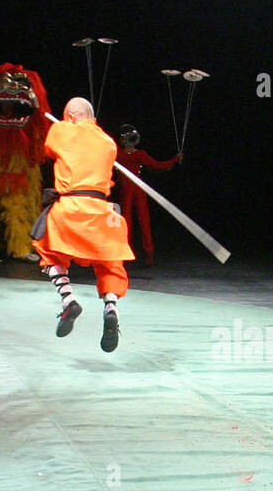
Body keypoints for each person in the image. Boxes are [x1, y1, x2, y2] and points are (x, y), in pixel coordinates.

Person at [34, 97, 132, 352]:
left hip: (70, 209)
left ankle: (68, 298)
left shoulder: (61, 130)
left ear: (69, 116)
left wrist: (65, 127)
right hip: (103, 212)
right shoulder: (109, 142)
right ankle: (111, 306)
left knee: (45, 244)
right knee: (110, 262)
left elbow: (47, 151)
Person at [114, 125, 179, 266]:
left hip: (127, 189)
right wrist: (175, 159)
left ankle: (125, 254)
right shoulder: (139, 154)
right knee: (144, 221)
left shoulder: (118, 153)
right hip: (139, 188)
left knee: (127, 221)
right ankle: (149, 253)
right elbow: (158, 165)